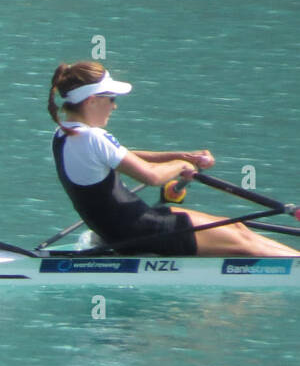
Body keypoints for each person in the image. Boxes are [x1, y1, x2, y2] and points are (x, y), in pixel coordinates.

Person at [48, 61, 299, 257]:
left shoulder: (64, 134)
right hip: (141, 232)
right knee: (244, 242)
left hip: (132, 225)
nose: (114, 106)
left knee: (239, 229)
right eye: (111, 99)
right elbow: (152, 176)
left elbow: (126, 156)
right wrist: (181, 165)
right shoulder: (93, 138)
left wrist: (180, 156)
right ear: (92, 101)